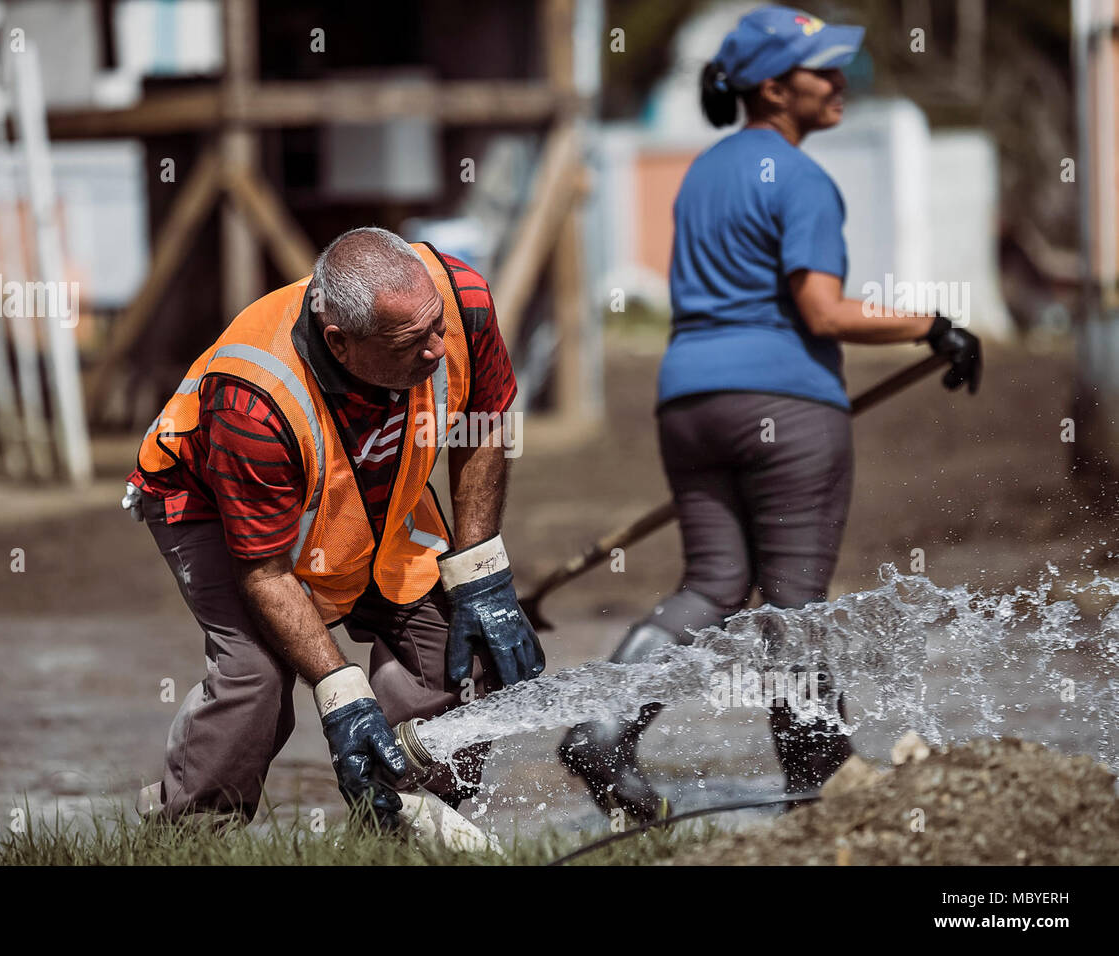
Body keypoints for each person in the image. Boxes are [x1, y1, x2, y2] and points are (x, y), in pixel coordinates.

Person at [558, 5, 981, 821]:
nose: (839, 83)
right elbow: (821, 312)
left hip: (687, 401)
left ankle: (604, 725)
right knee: (795, 598)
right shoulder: (802, 179)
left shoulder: (705, 173)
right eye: (823, 71)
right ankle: (817, 786)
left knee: (714, 581)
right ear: (773, 87)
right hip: (785, 406)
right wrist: (933, 326)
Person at [126, 227, 543, 829]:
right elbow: (266, 570)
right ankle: (190, 829)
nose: (435, 350)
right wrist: (340, 694)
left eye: (436, 329)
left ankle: (402, 821)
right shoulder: (252, 400)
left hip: (369, 471)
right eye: (410, 343)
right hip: (215, 500)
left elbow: (484, 420)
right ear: (340, 343)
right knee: (258, 678)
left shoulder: (461, 301)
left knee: (453, 646)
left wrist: (480, 574)